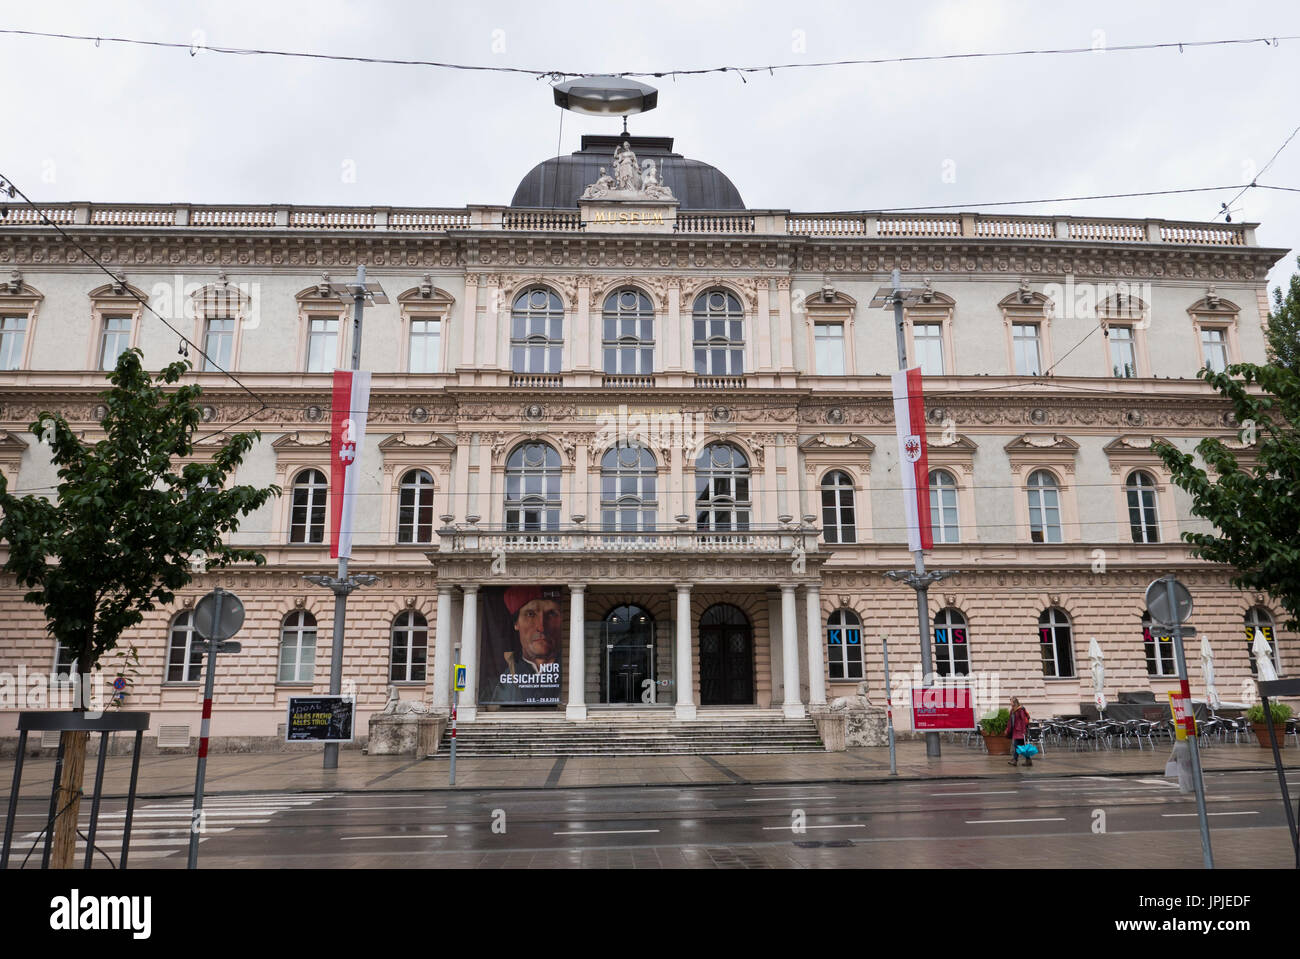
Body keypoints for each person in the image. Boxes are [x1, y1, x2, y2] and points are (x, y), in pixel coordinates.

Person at [496, 585, 563, 704]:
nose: (541, 627)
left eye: (552, 614)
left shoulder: (569, 672)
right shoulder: (501, 681)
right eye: (530, 614)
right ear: (516, 623)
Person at [1007, 696, 1032, 767]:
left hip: (1020, 731)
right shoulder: (1012, 710)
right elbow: (1010, 721)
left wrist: (1024, 731)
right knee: (1021, 746)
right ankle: (1028, 760)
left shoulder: (1020, 710)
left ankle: (1015, 760)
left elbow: (1024, 721)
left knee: (1016, 745)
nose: (1010, 703)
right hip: (1015, 730)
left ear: (1014, 702)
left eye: (1011, 701)